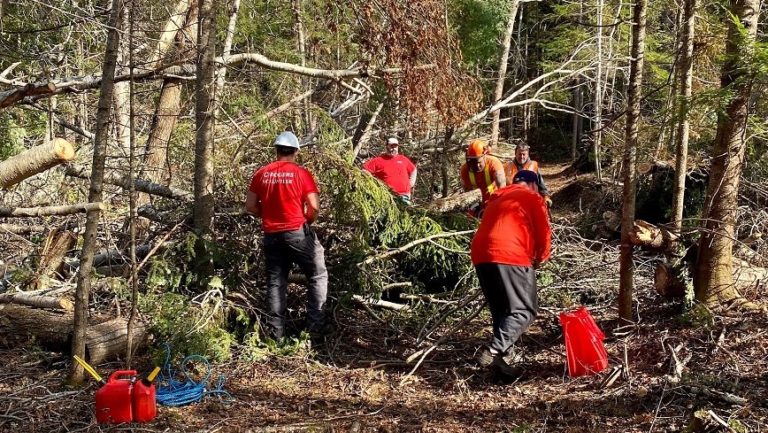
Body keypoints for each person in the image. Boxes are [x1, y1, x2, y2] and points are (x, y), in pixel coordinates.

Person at [245, 131, 329, 340]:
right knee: (317, 275)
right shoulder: (301, 174)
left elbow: (250, 206)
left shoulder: (261, 173)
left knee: (276, 281)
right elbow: (314, 206)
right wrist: (307, 220)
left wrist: (267, 215)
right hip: (297, 233)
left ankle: (275, 335)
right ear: (296, 151)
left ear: (276, 150)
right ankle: (315, 330)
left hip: (271, 235)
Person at [471, 169, 552, 379]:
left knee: (502, 311)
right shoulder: (532, 197)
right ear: (534, 185)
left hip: (481, 255)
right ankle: (493, 350)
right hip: (510, 254)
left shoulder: (497, 198)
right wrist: (541, 258)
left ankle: (501, 370)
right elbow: (543, 232)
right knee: (524, 310)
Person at [363, 137, 417, 204]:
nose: (393, 148)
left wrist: (410, 183)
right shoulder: (378, 160)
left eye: (395, 146)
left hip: (404, 195)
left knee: (404, 213)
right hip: (386, 196)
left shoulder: (403, 159)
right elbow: (365, 171)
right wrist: (372, 184)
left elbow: (413, 170)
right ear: (386, 146)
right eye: (391, 146)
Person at [460, 139, 506, 215]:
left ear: (484, 155)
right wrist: (474, 207)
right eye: (473, 162)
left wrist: (498, 205)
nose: (477, 165)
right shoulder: (465, 169)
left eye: (479, 162)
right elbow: (467, 193)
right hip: (476, 203)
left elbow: (502, 188)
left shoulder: (494, 163)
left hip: (494, 200)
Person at [504, 143, 552, 207]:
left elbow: (541, 185)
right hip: (511, 202)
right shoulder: (506, 166)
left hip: (530, 202)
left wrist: (546, 197)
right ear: (515, 153)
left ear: (528, 154)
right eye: (519, 154)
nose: (521, 157)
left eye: (524, 154)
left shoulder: (533, 166)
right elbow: (500, 186)